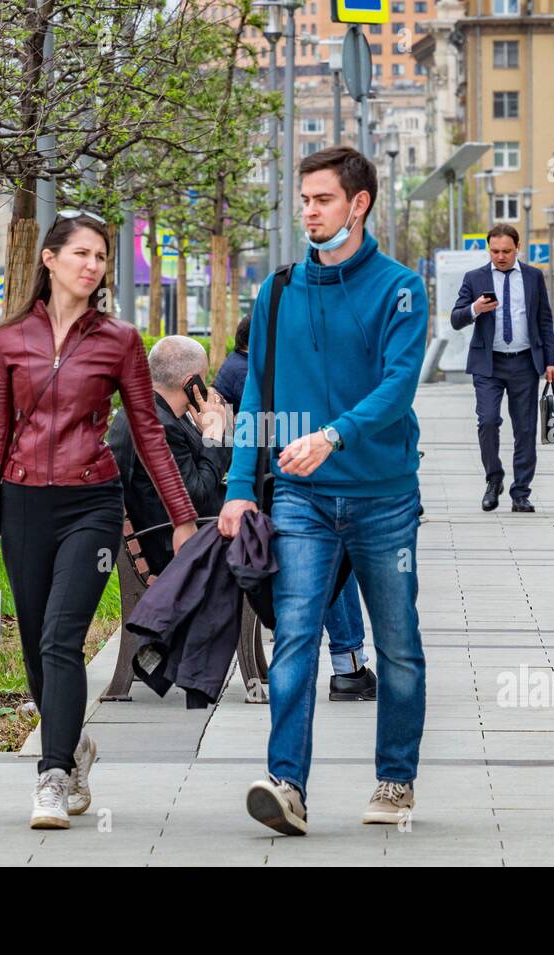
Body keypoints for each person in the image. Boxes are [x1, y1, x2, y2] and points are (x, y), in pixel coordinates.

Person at [0, 211, 199, 831]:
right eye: (82, 254)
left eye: (102, 257)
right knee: (40, 650)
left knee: (62, 638)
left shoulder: (119, 340)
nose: (93, 266)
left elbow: (148, 432)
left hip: (92, 503)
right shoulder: (9, 339)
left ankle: (52, 775)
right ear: (50, 258)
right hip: (23, 506)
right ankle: (76, 745)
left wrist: (181, 516)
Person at [217, 145, 428, 835]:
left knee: (396, 645)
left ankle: (395, 780)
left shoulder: (401, 288)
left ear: (358, 204)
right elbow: (256, 392)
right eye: (304, 199)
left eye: (323, 199)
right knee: (297, 638)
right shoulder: (278, 292)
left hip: (383, 498)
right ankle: (287, 785)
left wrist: (333, 435)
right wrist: (241, 486)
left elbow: (398, 386)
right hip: (302, 500)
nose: (309, 210)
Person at [204, 319, 380, 700]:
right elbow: (228, 434)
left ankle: (344, 662)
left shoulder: (248, 370)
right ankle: (347, 664)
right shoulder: (259, 372)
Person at [450, 223, 554, 513]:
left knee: (525, 430)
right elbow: (456, 318)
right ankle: (493, 479)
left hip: (525, 361)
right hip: (489, 364)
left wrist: (551, 361)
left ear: (517, 248)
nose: (500, 257)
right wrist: (475, 309)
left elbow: (544, 321)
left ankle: (520, 492)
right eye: (495, 251)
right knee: (487, 421)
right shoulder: (474, 278)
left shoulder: (534, 277)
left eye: (507, 251)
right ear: (489, 249)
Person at [105, 335, 231, 573]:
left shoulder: (153, 413)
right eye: (204, 379)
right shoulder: (161, 426)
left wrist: (219, 432)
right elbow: (196, 497)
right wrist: (215, 437)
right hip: (177, 547)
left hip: (177, 534)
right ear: (192, 383)